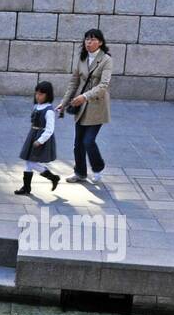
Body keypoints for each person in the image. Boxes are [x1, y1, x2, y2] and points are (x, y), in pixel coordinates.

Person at [57, 28, 113, 184]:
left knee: (88, 141)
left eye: (93, 39)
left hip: (97, 106)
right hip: (80, 107)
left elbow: (104, 85)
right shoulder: (82, 58)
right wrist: (64, 102)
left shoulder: (106, 60)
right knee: (78, 143)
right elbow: (74, 82)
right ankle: (80, 173)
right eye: (87, 39)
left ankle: (98, 167)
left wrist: (84, 97)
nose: (89, 42)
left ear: (100, 42)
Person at [15, 81, 62, 195]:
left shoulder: (49, 111)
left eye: (41, 94)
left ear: (48, 95)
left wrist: (40, 140)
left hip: (40, 138)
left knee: (30, 162)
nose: (38, 96)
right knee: (29, 162)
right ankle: (28, 187)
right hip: (33, 135)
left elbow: (50, 129)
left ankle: (51, 178)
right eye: (37, 94)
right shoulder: (37, 106)